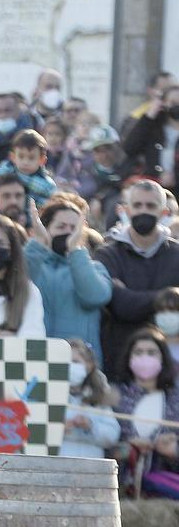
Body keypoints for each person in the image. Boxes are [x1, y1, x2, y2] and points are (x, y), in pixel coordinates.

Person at [94, 178, 179, 368]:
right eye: (138, 205)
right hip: (118, 360)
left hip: (170, 363)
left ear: (164, 212)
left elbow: (128, 302)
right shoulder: (107, 253)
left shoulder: (177, 255)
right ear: (127, 210)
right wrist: (166, 297)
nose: (143, 210)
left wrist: (130, 296)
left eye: (150, 205)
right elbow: (121, 306)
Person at [24, 195, 112, 363]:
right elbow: (16, 286)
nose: (68, 232)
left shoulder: (95, 268)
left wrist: (75, 251)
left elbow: (94, 297)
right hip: (36, 360)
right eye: (61, 226)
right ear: (46, 228)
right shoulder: (34, 263)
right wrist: (38, 243)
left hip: (80, 364)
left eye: (73, 227)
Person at [114, 328, 179, 498]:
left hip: (165, 497)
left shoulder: (175, 399)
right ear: (129, 358)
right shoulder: (116, 397)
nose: (145, 358)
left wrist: (173, 450)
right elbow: (105, 446)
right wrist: (127, 448)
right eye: (138, 352)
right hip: (119, 490)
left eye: (151, 352)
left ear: (163, 359)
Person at [0, 129, 56, 221]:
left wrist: (28, 221)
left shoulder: (47, 187)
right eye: (21, 156)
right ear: (13, 157)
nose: (25, 162)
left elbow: (46, 213)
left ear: (42, 160)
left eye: (31, 158)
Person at [61, 339, 120, 460]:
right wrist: (58, 428)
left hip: (91, 467)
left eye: (75, 361)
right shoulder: (49, 397)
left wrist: (90, 425)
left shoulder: (99, 398)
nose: (70, 367)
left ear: (89, 365)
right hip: (58, 463)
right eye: (65, 362)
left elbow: (112, 435)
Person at [122, 84, 179, 184]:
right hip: (153, 187)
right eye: (173, 102)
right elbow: (130, 148)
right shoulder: (153, 127)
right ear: (164, 103)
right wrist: (148, 116)